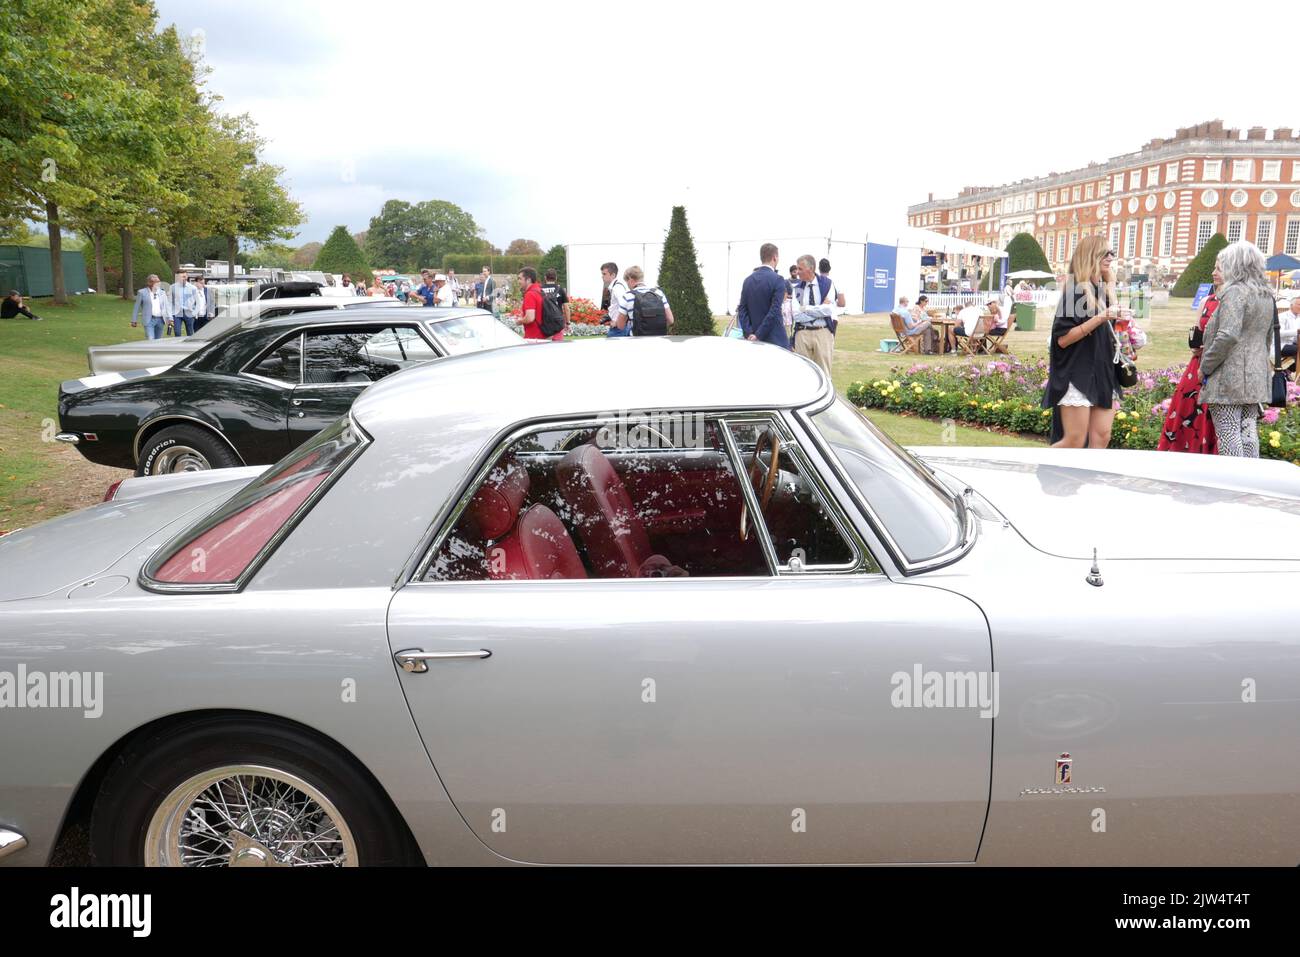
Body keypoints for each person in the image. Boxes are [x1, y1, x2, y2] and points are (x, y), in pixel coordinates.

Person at [1042, 236, 1124, 449]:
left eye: (1112, 253)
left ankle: (1088, 482)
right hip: (1078, 372)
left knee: (1102, 436)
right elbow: (1062, 339)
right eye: (1105, 253)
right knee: (1074, 440)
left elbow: (1109, 328)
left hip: (1103, 371)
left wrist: (1111, 284)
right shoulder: (1075, 291)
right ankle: (1041, 472)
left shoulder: (1102, 290)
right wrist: (1101, 317)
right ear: (1091, 256)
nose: (1110, 257)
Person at [1200, 240, 1275, 458]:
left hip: (1230, 376)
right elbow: (1267, 338)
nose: (1218, 269)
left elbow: (1227, 335)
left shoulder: (1235, 292)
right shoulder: (1265, 294)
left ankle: (1234, 481)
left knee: (1229, 432)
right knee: (1248, 431)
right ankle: (1251, 480)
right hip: (1256, 372)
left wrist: (1206, 366)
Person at [1158, 263, 1221, 455]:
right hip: (1198, 365)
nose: (1213, 272)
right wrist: (1195, 345)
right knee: (1187, 411)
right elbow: (1196, 334)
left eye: (1219, 268)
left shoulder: (1234, 302)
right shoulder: (1206, 301)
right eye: (1215, 267)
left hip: (1219, 367)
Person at [790, 254, 836, 374]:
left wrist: (805, 308)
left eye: (800, 269)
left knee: (824, 373)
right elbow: (796, 315)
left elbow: (828, 310)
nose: (797, 272)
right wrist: (819, 309)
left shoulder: (827, 284)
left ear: (810, 268)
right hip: (802, 334)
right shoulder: (797, 289)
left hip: (823, 333)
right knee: (803, 373)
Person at [737, 243, 789, 348]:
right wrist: (758, 334)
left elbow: (742, 309)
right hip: (774, 338)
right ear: (775, 257)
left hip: (752, 338)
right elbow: (774, 310)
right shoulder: (778, 279)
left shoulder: (748, 280)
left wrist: (749, 333)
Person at [612, 265, 673, 336]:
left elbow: (620, 326)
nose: (627, 285)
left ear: (630, 280)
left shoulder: (627, 297)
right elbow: (670, 320)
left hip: (637, 340)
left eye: (627, 282)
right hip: (659, 339)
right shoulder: (659, 293)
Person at [131, 274, 172, 339]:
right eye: (156, 282)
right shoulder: (142, 292)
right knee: (150, 339)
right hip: (149, 320)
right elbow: (136, 307)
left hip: (160, 320)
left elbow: (167, 306)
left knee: (158, 340)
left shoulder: (162, 293)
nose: (159, 284)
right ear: (149, 283)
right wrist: (134, 320)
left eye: (159, 282)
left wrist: (170, 318)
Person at [517, 266, 550, 341]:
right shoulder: (540, 290)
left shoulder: (530, 294)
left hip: (534, 337)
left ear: (528, 280)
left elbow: (530, 318)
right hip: (544, 334)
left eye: (520, 279)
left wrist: (520, 321)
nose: (518, 281)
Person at [540, 268, 571, 337]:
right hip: (558, 322)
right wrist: (568, 323)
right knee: (558, 346)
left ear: (545, 278)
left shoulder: (540, 289)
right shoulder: (560, 289)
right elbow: (566, 308)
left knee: (544, 346)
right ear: (556, 278)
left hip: (544, 323)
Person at [601, 262, 629, 338]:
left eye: (604, 274)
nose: (602, 276)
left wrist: (617, 322)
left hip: (618, 328)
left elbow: (625, 305)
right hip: (620, 327)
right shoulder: (616, 286)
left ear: (613, 275)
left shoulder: (617, 288)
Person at [169, 271, 197, 336]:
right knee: (177, 332)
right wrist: (170, 315)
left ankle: (189, 346)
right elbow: (169, 302)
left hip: (189, 313)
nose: (183, 278)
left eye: (184, 276)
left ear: (187, 277)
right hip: (176, 313)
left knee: (190, 333)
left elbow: (197, 302)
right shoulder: (172, 287)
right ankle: (179, 346)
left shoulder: (193, 288)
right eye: (181, 277)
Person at [1278, 296, 1300, 362]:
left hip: (1294, 344)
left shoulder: (1298, 317)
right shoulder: (1282, 316)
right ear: (1291, 306)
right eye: (1299, 305)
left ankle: (1294, 369)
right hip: (1282, 345)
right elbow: (1279, 333)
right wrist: (1297, 331)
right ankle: (1293, 370)